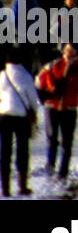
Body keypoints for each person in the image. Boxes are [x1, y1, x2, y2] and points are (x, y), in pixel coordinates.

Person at [36, 44, 78, 182]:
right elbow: (40, 81)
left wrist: (75, 83)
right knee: (52, 139)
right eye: (68, 49)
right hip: (52, 106)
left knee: (67, 141)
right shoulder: (53, 65)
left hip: (69, 108)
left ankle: (63, 171)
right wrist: (50, 89)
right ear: (63, 50)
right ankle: (50, 166)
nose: (70, 52)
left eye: (73, 49)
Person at [0, 45, 40, 196]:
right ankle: (22, 186)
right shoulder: (25, 76)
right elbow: (33, 98)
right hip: (21, 117)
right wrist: (34, 113)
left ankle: (5, 188)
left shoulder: (2, 75)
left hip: (4, 116)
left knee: (5, 153)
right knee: (22, 152)